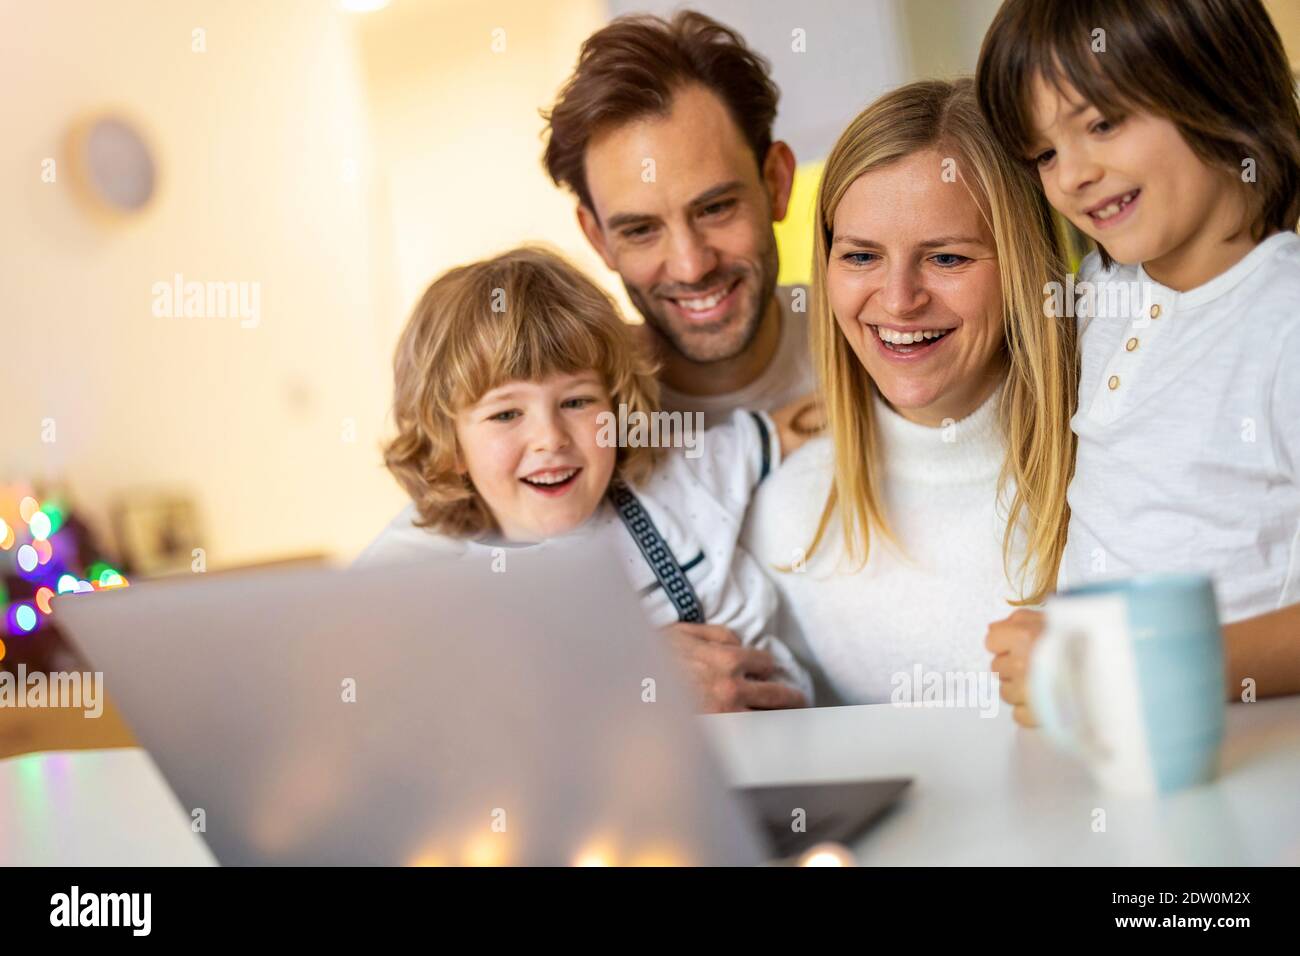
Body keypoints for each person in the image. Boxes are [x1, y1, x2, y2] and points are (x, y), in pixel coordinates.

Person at [977, 0, 1300, 724]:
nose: (1073, 176)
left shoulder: (1285, 317)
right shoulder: (1097, 294)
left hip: (1254, 750)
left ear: (1217, 85)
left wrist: (1143, 659)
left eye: (1102, 123)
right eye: (1044, 154)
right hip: (1118, 744)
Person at [356, 246, 812, 712]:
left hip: (781, 746)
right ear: (450, 445)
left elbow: (792, 426)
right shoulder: (430, 566)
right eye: (507, 413)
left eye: (576, 402)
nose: (550, 439)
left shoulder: (676, 482)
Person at [743, 79, 1078, 706]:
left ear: (1024, 265)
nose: (899, 300)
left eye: (947, 259)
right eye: (862, 256)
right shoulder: (786, 519)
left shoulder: (1116, 471)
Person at [541, 10, 816, 427]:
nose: (692, 267)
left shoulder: (882, 351)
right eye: (641, 230)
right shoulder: (567, 430)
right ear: (598, 239)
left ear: (776, 183)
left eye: (715, 208)